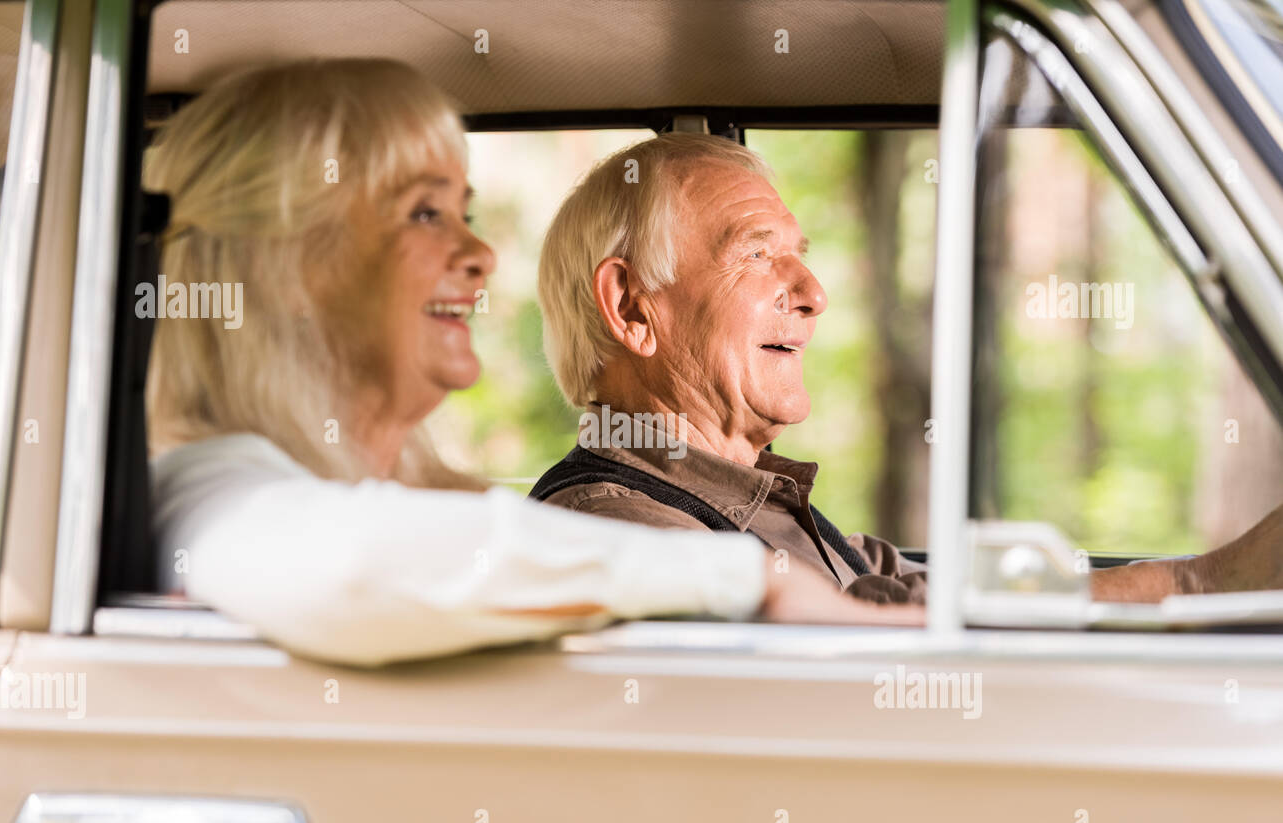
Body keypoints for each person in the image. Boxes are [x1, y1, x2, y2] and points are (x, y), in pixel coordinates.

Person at [144, 60, 921, 668]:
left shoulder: (399, 492)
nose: (480, 254)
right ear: (289, 271)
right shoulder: (208, 490)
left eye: (466, 213)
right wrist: (755, 583)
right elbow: (342, 561)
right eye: (424, 213)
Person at [531, 133, 1283, 604]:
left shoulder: (772, 513)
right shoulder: (613, 533)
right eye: (757, 254)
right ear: (632, 308)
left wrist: (1202, 580)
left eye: (802, 256)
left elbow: (973, 599)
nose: (814, 294)